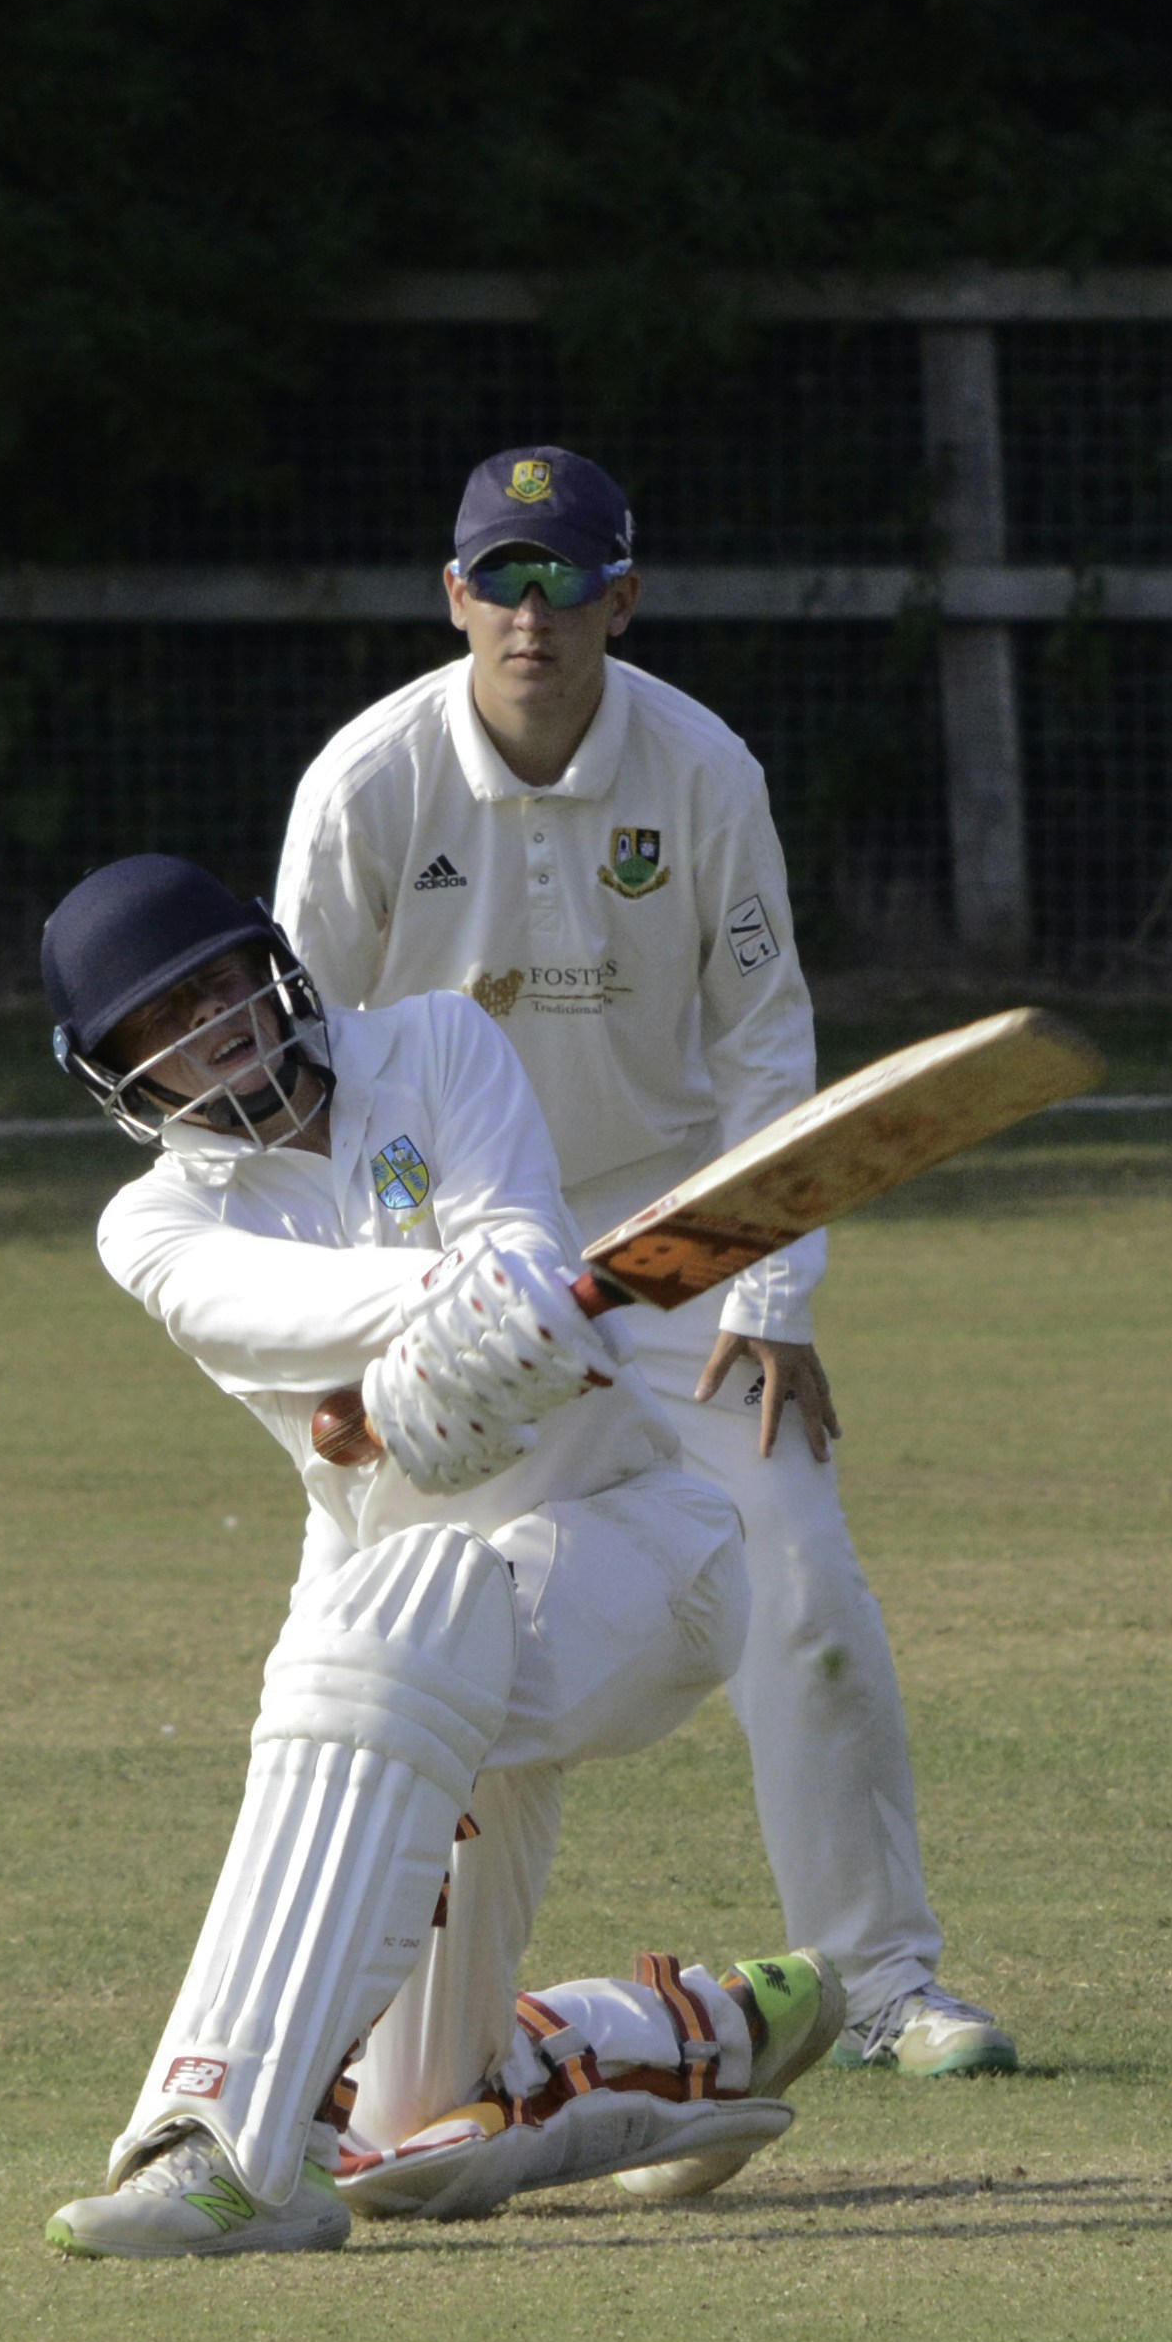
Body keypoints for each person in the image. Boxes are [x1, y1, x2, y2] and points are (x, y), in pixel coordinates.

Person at [270, 445, 1017, 2081]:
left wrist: (770, 1292)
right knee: (374, 1639)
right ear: (453, 594)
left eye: (565, 580)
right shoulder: (367, 785)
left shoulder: (701, 769)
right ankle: (324, 2036)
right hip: (448, 1271)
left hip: (673, 1252)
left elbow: (766, 1048)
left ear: (625, 594)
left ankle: (884, 1980)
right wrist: (336, 1323)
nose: (531, 616)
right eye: (500, 579)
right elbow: (290, 1080)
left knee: (806, 1596)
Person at [38, 852, 851, 2258]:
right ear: (114, 1072)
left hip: (641, 1556)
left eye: (223, 978)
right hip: (423, 1683)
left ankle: (218, 2149)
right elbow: (336, 1304)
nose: (211, 1020)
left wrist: (496, 1306)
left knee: (381, 1621)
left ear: (273, 964)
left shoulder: (436, 1041)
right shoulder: (157, 1226)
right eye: (158, 1021)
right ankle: (686, 2034)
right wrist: (466, 1304)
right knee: (416, 2134)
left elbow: (523, 1267)